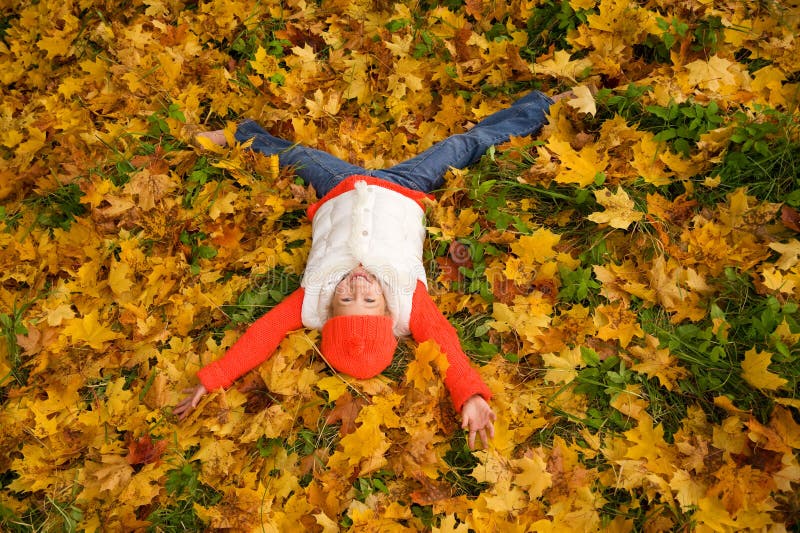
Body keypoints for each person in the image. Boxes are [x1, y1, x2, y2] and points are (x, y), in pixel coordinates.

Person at [174, 89, 560, 449]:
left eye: (347, 296)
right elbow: (445, 344)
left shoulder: (312, 299)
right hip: (403, 188)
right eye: (370, 298)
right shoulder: (409, 302)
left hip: (340, 187)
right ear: (388, 311)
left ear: (329, 309)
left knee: (293, 155)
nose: (358, 284)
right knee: (462, 145)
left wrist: (213, 380)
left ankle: (241, 132)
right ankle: (542, 104)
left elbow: (264, 334)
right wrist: (470, 394)